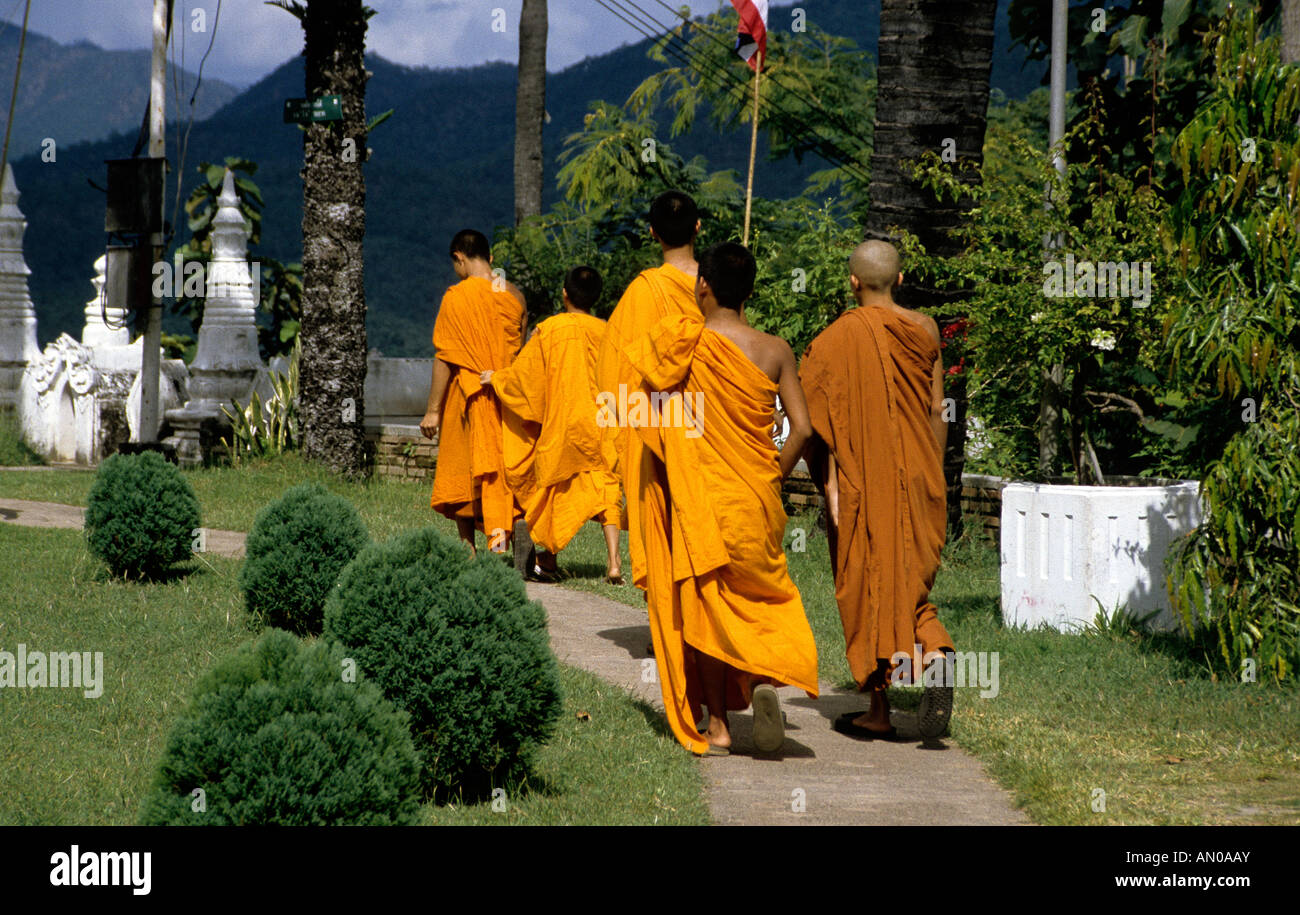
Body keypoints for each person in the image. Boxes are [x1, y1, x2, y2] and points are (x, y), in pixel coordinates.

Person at [622, 241, 819, 756]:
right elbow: (803, 428)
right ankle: (763, 679)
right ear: (750, 291)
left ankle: (719, 724)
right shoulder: (775, 350)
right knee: (763, 597)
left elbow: (651, 422)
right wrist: (768, 476)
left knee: (706, 605)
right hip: (755, 501)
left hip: (700, 501)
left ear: (701, 285)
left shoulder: (681, 344)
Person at [799, 240, 956, 741]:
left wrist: (829, 483)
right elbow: (936, 411)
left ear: (852, 283)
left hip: (864, 483)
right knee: (909, 583)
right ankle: (934, 652)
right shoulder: (925, 329)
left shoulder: (834, 339)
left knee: (872, 586)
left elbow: (813, 422)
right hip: (921, 476)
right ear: (901, 280)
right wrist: (934, 473)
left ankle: (879, 711)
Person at [480, 266, 624, 583]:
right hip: (601, 422)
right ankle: (614, 561)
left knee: (554, 488)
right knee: (606, 488)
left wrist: (497, 379)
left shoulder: (550, 330)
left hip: (564, 423)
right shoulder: (608, 331)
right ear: (597, 297)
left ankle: (549, 559)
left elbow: (525, 379)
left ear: (564, 293)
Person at [595, 190, 702, 597]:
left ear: (653, 233)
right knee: (696, 521)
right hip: (702, 420)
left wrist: (620, 422)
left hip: (653, 422)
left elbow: (613, 365)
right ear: (698, 227)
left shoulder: (642, 291)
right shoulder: (715, 288)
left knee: (657, 519)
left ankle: (662, 622)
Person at [420, 229, 527, 556]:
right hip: (505, 394)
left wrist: (433, 409)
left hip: (466, 396)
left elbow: (446, 356)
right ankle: (503, 538)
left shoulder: (457, 296)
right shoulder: (513, 294)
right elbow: (520, 352)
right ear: (491, 258)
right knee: (505, 469)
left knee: (463, 470)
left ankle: (468, 549)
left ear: (459, 258)